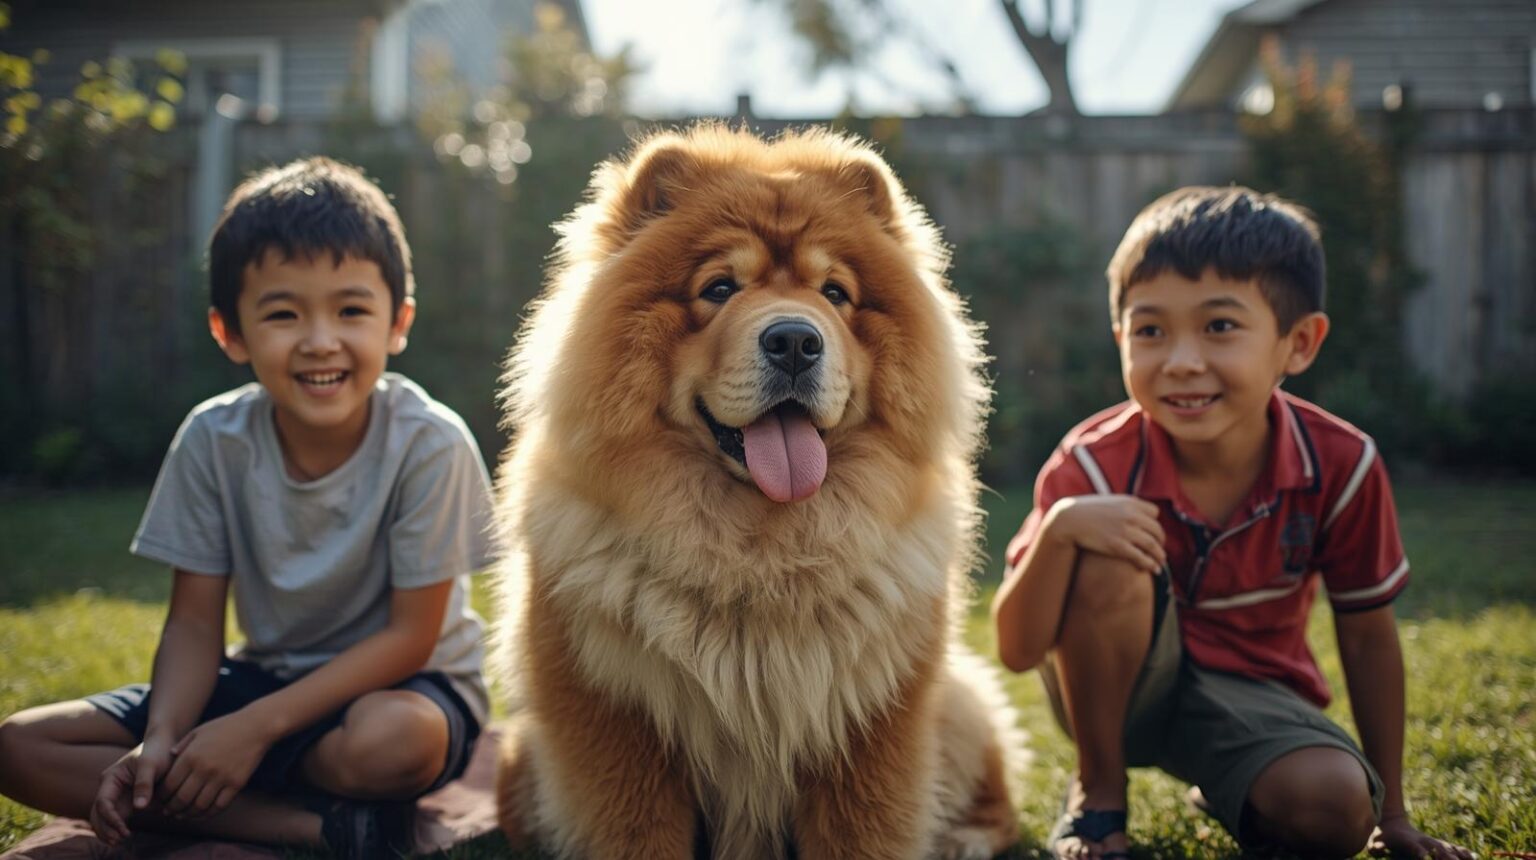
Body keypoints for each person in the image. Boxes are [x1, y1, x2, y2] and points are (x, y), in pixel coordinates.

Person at [0, 157, 497, 860]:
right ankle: (315, 828)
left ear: (397, 323)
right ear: (229, 332)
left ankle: (218, 789)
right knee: (21, 745)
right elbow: (195, 622)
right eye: (283, 313)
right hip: (267, 676)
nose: (320, 339)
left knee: (394, 742)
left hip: (402, 688)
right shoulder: (211, 438)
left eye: (351, 310)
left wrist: (252, 731)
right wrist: (164, 740)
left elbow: (411, 638)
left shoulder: (430, 443)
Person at [991, 186, 1474, 860]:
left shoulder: (1340, 463)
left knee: (1335, 812)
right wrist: (1062, 527)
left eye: (1219, 326)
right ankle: (1098, 798)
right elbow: (1016, 649)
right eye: (1151, 330)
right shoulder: (1093, 464)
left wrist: (1391, 814)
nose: (1181, 360)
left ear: (1298, 343)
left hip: (1255, 696)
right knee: (1106, 545)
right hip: (1117, 697)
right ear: (1121, 339)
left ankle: (1228, 783)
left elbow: (1366, 638)